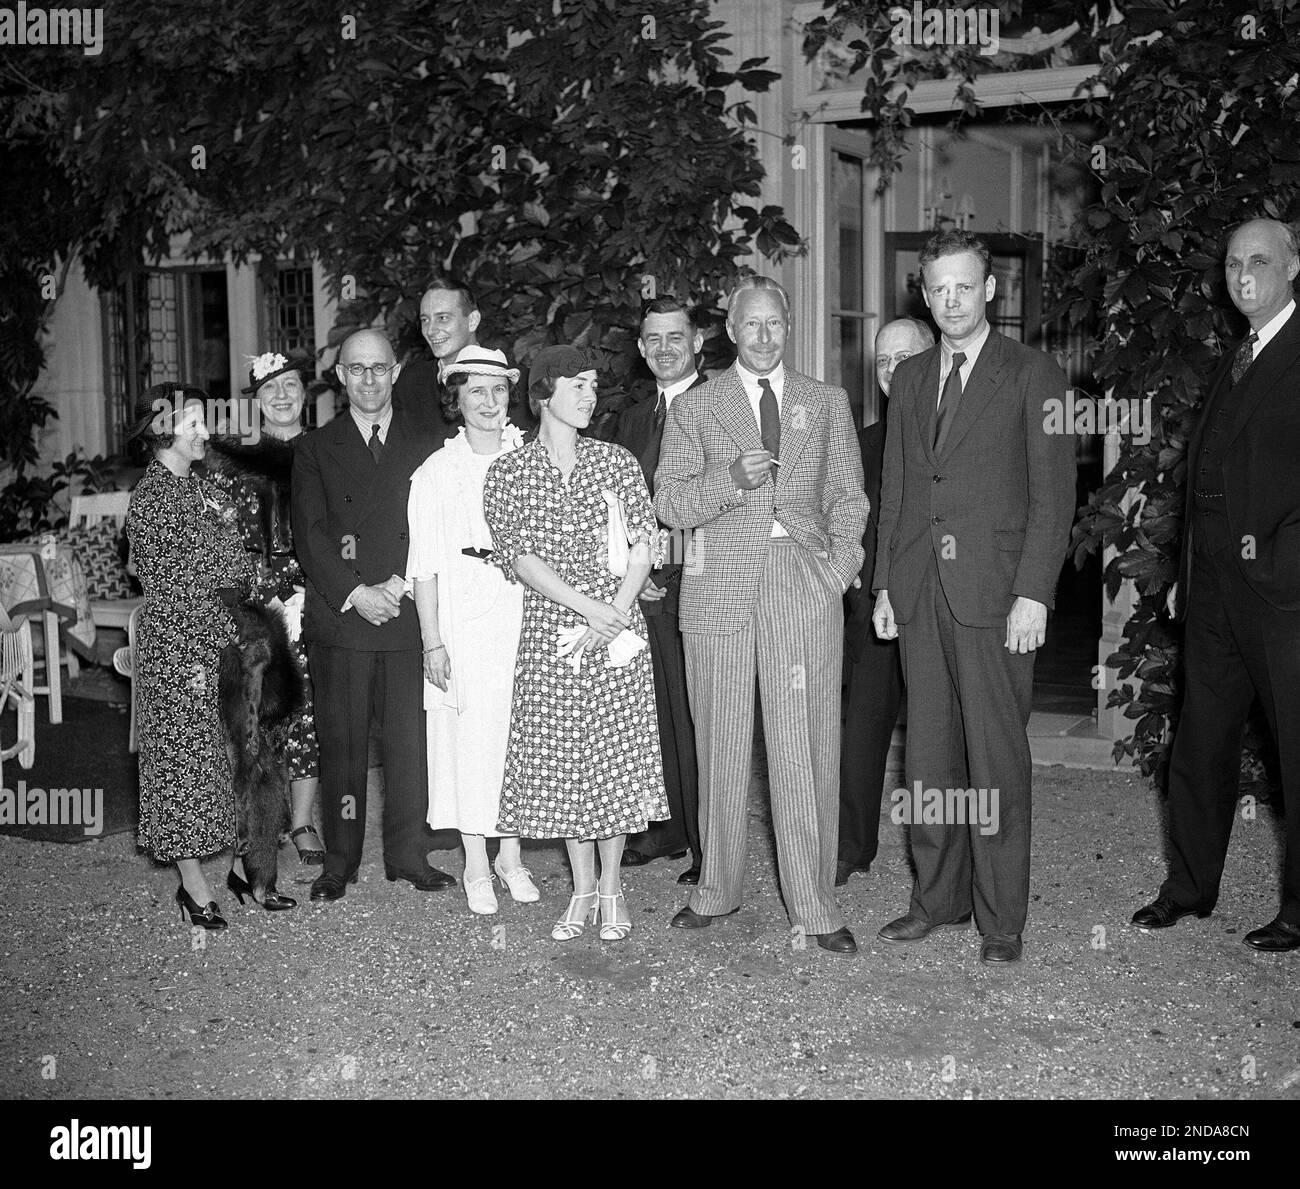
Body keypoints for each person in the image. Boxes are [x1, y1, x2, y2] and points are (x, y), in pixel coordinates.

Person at [872, 229, 1075, 966]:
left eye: (965, 286)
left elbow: (1055, 497)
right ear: (922, 295)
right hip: (922, 590)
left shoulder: (1033, 373)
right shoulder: (914, 375)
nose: (952, 300)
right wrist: (886, 585)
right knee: (927, 755)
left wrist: (1035, 594)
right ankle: (938, 898)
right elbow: (897, 488)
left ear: (991, 290)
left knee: (995, 758)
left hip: (994, 595)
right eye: (938, 288)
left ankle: (1001, 918)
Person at [654, 275, 869, 956]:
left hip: (800, 582)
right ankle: (715, 888)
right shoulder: (698, 407)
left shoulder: (826, 401)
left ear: (788, 325)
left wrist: (834, 575)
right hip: (718, 583)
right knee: (717, 739)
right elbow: (670, 502)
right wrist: (731, 481)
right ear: (729, 327)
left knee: (803, 744)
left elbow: (849, 500)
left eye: (775, 323)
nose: (765, 336)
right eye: (752, 325)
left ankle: (815, 902)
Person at [1132, 217, 1300, 952]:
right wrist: (1185, 574)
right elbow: (1207, 479)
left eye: (1258, 260)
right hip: (1214, 591)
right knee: (1200, 741)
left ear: (1292, 265)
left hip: (1282, 594)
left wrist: (1281, 562)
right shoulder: (1240, 355)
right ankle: (1190, 888)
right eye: (1232, 262)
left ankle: (1298, 911)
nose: (1242, 274)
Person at [482, 344, 668, 942]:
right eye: (577, 385)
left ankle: (611, 887)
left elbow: (644, 545)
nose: (590, 395)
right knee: (567, 765)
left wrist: (614, 613)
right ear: (543, 395)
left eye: (593, 385)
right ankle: (581, 889)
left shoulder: (616, 462)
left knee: (613, 760)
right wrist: (592, 610)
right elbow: (523, 559)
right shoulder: (510, 473)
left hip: (616, 631)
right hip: (554, 635)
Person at [291, 329, 455, 902]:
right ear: (340, 378)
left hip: (411, 612)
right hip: (344, 619)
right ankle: (340, 859)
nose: (368, 380)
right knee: (344, 745)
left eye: (378, 368)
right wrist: (358, 592)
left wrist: (403, 584)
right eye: (356, 369)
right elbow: (310, 537)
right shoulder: (315, 448)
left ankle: (408, 853)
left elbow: (443, 526)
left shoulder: (430, 439)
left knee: (410, 744)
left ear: (395, 371)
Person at [126, 385, 296, 926]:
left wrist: (261, 599)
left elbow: (229, 561)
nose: (205, 431)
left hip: (229, 640)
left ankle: (255, 872)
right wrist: (221, 636)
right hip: (185, 649)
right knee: (187, 768)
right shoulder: (153, 498)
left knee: (250, 757)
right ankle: (193, 888)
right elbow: (169, 590)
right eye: (192, 423)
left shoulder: (194, 487)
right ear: (161, 432)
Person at [407, 346, 539, 915]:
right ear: (455, 400)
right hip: (463, 616)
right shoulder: (437, 472)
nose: (489, 402)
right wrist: (432, 640)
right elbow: (425, 566)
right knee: (469, 737)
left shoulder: (534, 459)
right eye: (475, 391)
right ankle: (476, 864)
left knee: (519, 735)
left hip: (527, 610)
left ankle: (512, 856)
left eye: (498, 389)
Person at [203, 351, 324, 881]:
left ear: (305, 392)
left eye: (291, 385)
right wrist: (254, 593)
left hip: (314, 595)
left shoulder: (325, 451)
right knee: (255, 713)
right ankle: (255, 823)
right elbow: (215, 535)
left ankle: (301, 822)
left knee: (310, 712)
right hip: (253, 602)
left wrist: (312, 589)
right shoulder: (230, 458)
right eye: (270, 388)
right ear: (255, 401)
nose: (281, 396)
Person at [612, 296, 706, 884]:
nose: (665, 348)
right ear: (642, 349)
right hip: (640, 593)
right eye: (654, 340)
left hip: (698, 587)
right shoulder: (632, 418)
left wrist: (659, 569)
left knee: (698, 720)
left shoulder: (723, 406)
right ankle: (662, 829)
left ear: (698, 342)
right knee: (650, 715)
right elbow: (621, 504)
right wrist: (630, 572)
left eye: (677, 337)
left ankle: (707, 846)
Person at [836, 318, 932, 886]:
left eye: (904, 358)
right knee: (861, 732)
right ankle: (851, 848)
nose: (892, 371)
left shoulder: (957, 437)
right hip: (873, 611)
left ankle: (939, 860)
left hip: (940, 609)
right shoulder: (860, 444)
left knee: (936, 740)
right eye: (882, 361)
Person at [392, 274, 482, 447]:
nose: (431, 330)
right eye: (425, 320)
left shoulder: (512, 380)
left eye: (443, 318)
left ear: (472, 321)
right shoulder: (409, 384)